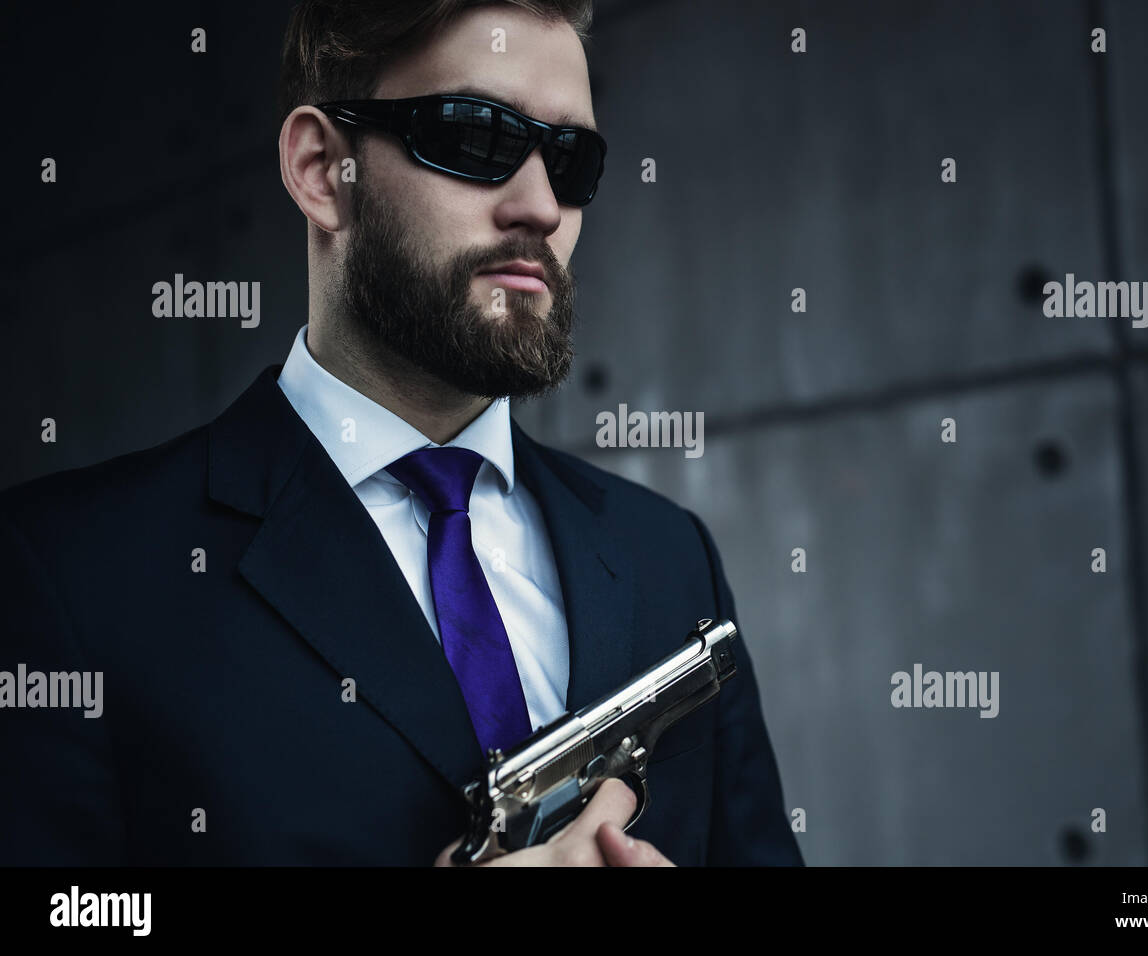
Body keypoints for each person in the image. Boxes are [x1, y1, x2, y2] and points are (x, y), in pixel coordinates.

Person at [0, 0, 802, 867]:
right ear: (319, 170)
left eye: (571, 160)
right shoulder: (69, 575)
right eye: (475, 137)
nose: (539, 206)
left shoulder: (669, 557)